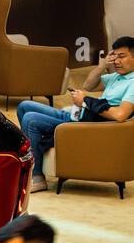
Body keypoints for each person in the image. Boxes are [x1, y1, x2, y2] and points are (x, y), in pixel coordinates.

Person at [16, 37, 134, 191]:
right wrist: (102, 66)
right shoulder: (117, 77)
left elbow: (120, 115)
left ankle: (37, 176)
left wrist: (86, 101)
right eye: (115, 56)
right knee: (24, 106)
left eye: (122, 56)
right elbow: (88, 85)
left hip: (87, 126)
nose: (117, 61)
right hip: (78, 115)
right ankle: (38, 147)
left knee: (31, 119)